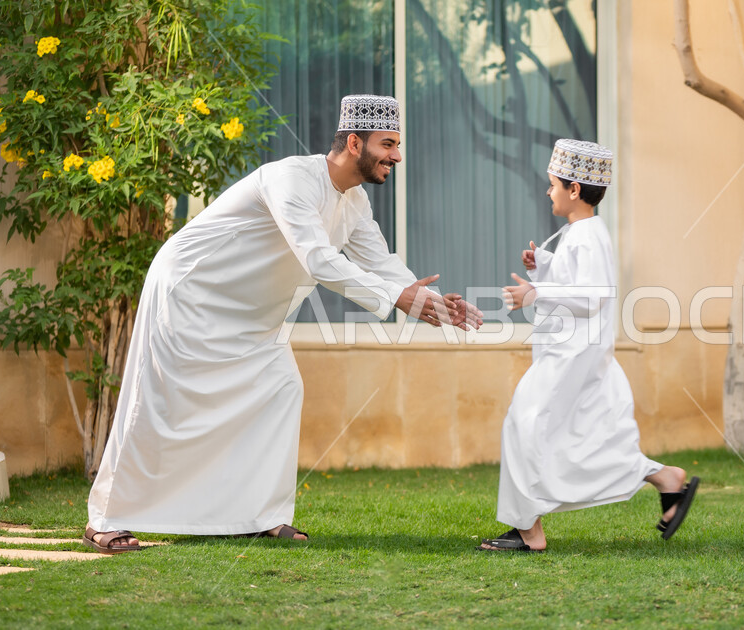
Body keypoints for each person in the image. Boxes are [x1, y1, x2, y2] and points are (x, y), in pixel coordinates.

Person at [82, 95, 482, 554]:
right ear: (355, 143)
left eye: (396, 145)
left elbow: (382, 263)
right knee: (157, 400)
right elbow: (318, 259)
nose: (397, 156)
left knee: (280, 388)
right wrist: (397, 298)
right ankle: (105, 519)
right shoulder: (291, 180)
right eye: (388, 144)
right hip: (191, 290)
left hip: (253, 313)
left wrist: (429, 302)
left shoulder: (354, 201)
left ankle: (257, 516)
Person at [478, 139, 698, 553]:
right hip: (572, 352)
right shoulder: (580, 233)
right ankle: (665, 478)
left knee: (523, 424)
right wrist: (543, 266)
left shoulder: (586, 236)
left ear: (574, 189)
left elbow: (593, 296)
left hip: (572, 355)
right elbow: (577, 283)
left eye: (553, 184)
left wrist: (535, 294)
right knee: (582, 436)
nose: (548, 191)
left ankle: (529, 532)